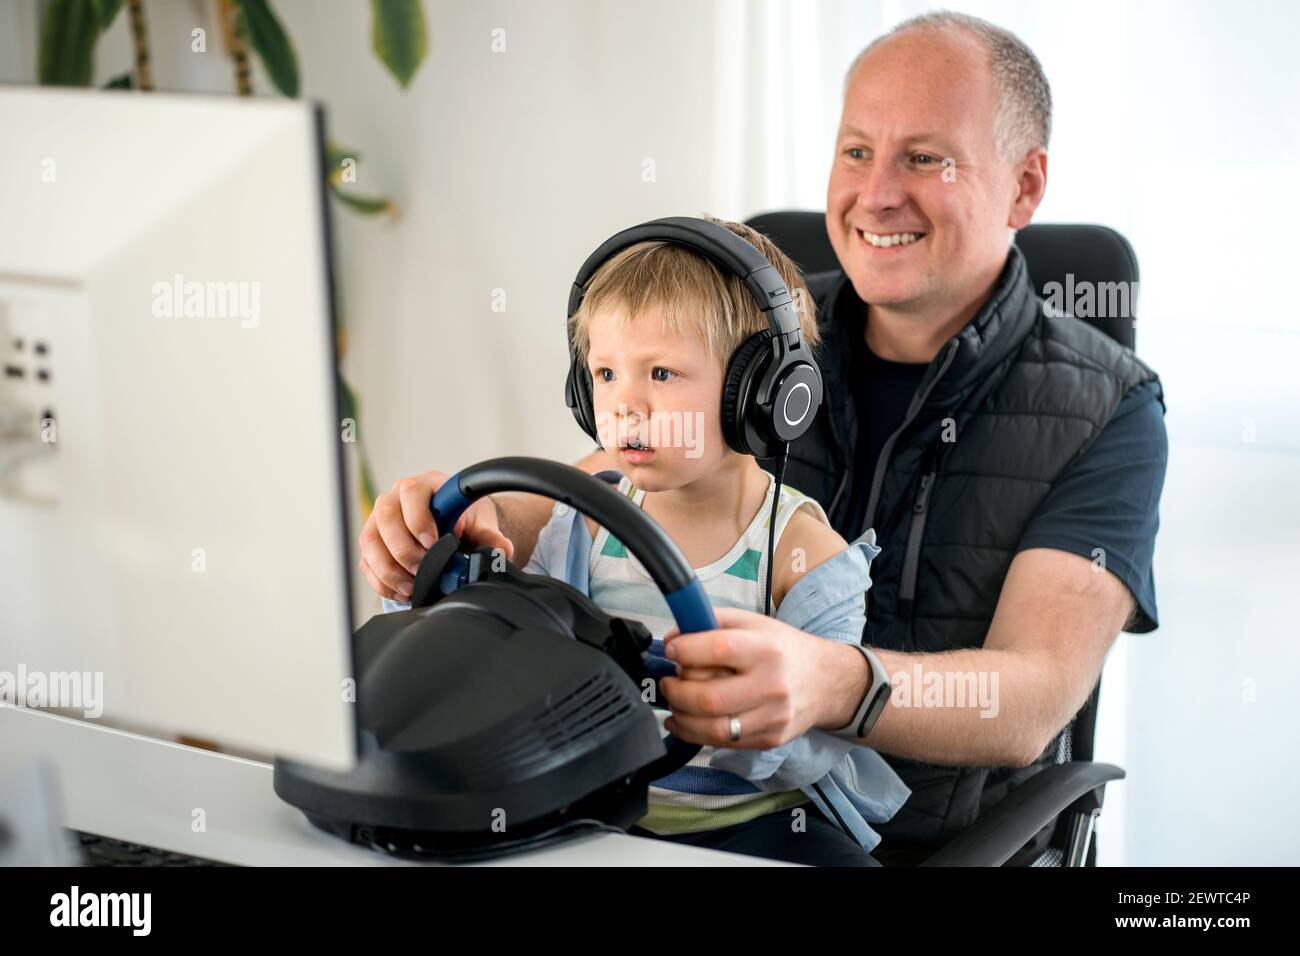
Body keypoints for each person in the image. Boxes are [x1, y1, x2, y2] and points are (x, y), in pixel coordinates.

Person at [359, 11, 1168, 866]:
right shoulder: (761, 335)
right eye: (857, 151)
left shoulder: (1110, 408)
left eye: (924, 158)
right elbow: (606, 474)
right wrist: (465, 518)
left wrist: (833, 685)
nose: (877, 193)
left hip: (908, 841)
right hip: (641, 811)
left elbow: (1033, 697)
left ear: (1024, 187)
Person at [380, 217, 911, 866]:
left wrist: (751, 713)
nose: (624, 405)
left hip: (754, 826)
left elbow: (822, 732)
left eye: (660, 373)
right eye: (604, 374)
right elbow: (511, 641)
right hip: (599, 814)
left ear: (763, 395)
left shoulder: (800, 554)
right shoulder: (585, 521)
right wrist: (431, 568)